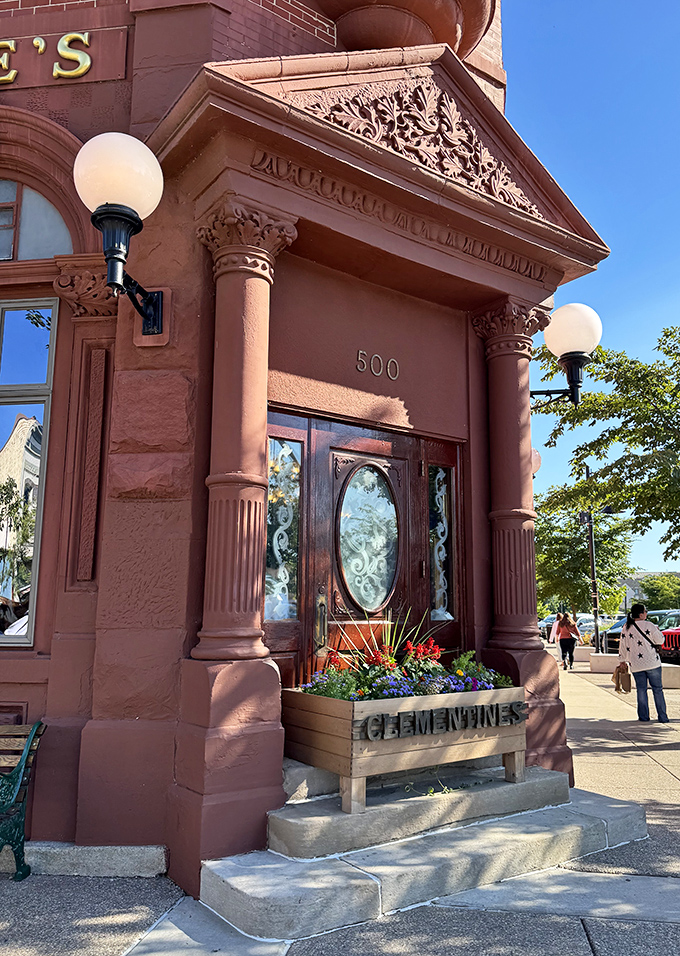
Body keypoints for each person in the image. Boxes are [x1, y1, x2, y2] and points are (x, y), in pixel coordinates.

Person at [618, 603, 669, 723]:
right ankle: (662, 717)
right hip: (652, 662)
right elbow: (660, 640)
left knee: (641, 690)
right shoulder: (650, 625)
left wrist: (622, 660)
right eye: (645, 611)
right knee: (657, 689)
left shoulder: (626, 627)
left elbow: (623, 645)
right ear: (641, 614)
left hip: (636, 664)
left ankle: (643, 716)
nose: (646, 613)